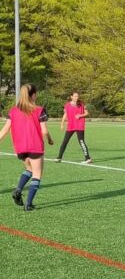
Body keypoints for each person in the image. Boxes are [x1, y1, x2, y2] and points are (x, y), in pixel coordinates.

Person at [0, 83, 54, 211]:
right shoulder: (39, 110)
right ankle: (28, 204)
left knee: (29, 169)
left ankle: (18, 190)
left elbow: (5, 130)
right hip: (35, 146)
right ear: (33, 95)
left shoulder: (13, 111)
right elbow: (44, 131)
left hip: (20, 148)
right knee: (37, 174)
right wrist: (50, 139)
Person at [56, 91, 92, 163]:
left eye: (77, 96)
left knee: (81, 141)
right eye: (75, 96)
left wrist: (80, 115)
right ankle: (59, 157)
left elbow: (87, 113)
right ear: (71, 97)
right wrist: (62, 124)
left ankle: (88, 158)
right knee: (65, 141)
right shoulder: (67, 105)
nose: (76, 97)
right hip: (71, 126)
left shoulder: (81, 104)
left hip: (79, 126)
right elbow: (65, 114)